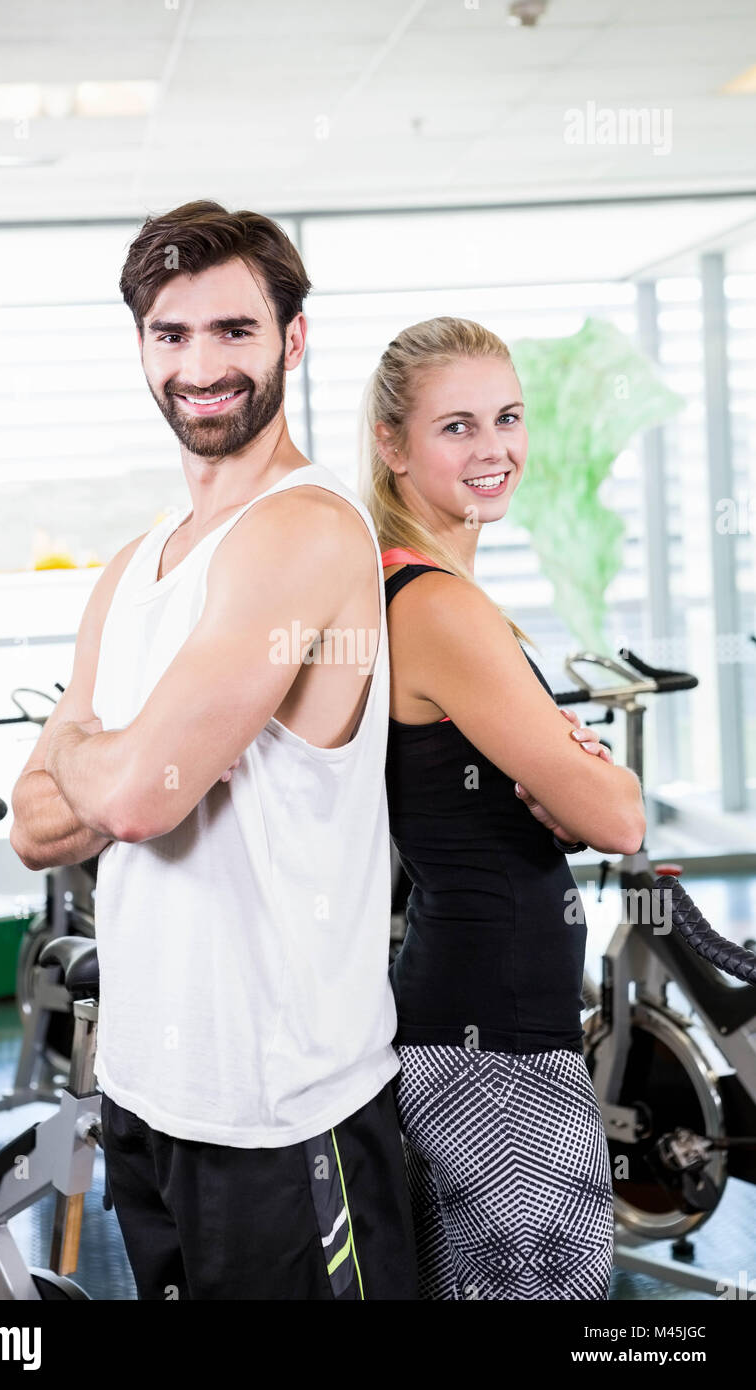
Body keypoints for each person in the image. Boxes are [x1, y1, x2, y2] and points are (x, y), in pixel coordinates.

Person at [9, 200, 418, 1300]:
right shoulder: (135, 565)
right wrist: (129, 759)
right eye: (171, 333)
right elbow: (31, 827)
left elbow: (134, 798)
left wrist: (103, 750)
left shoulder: (305, 528)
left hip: (286, 1115)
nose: (201, 364)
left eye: (234, 330)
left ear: (291, 339)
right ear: (141, 347)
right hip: (147, 1093)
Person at [358, 315, 647, 1300]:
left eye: (507, 418)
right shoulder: (438, 606)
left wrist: (570, 786)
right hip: (493, 1046)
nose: (494, 450)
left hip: (467, 1014)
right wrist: (597, 783)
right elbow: (618, 820)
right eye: (456, 427)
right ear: (391, 444)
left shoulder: (407, 588)